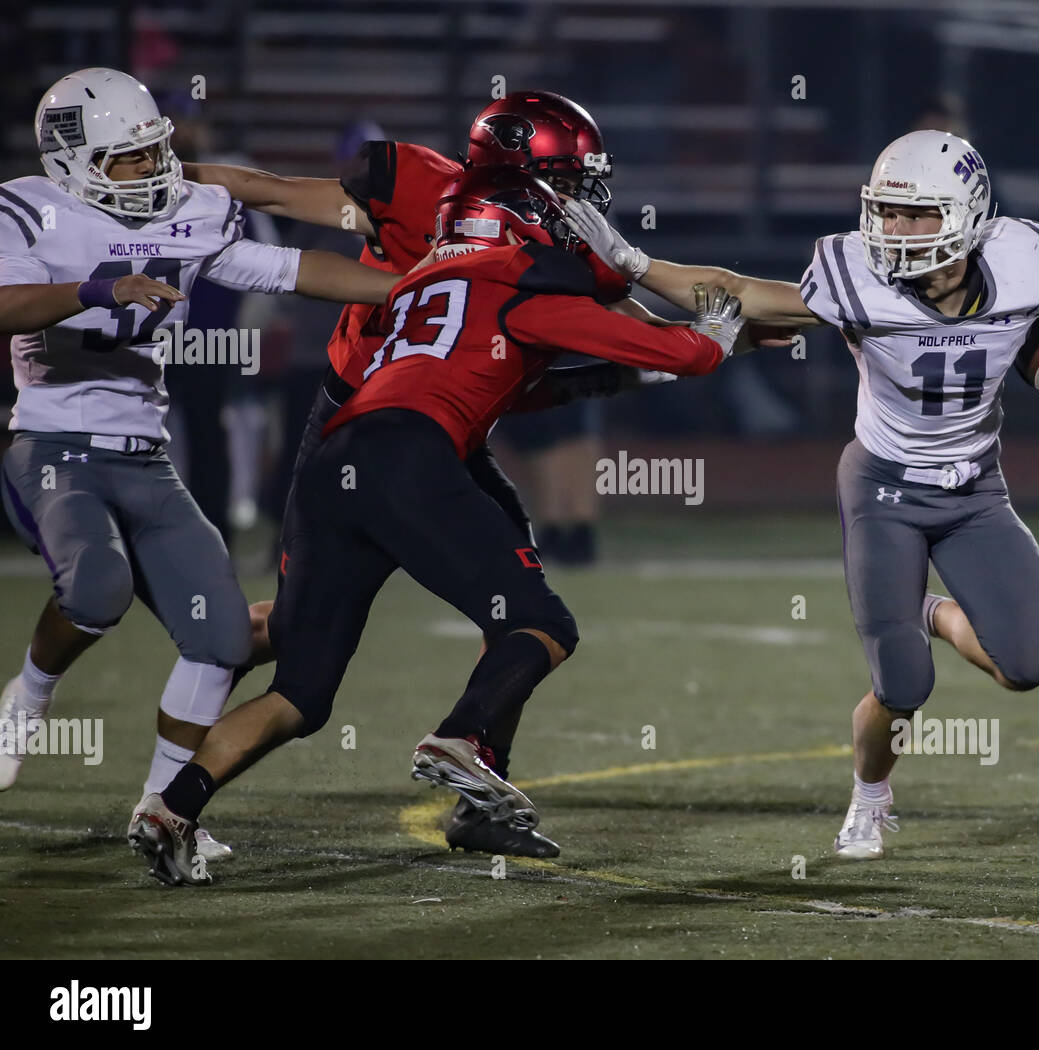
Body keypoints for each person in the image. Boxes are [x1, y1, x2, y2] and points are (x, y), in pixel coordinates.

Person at [128, 166, 741, 886]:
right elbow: (683, 351)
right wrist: (720, 332)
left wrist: (634, 365)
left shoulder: (418, 280)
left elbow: (505, 383)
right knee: (541, 624)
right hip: (410, 461)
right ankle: (461, 738)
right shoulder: (521, 277)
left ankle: (171, 807)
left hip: (334, 462)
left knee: (300, 693)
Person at [566, 129, 1039, 860]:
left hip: (976, 490)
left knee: (1029, 665)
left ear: (969, 215)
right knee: (904, 683)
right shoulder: (857, 276)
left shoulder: (1023, 256)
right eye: (885, 212)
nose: (893, 230)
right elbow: (739, 294)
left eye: (915, 214)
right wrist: (632, 262)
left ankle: (928, 610)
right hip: (884, 489)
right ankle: (870, 797)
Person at [0, 68, 403, 865]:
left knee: (222, 636)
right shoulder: (32, 209)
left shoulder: (189, 211)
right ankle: (28, 698)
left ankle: (162, 808)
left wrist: (411, 288)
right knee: (96, 587)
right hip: (52, 444)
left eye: (156, 152)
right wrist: (98, 286)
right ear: (75, 159)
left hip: (145, 456)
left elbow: (287, 271)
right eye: (130, 159)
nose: (153, 171)